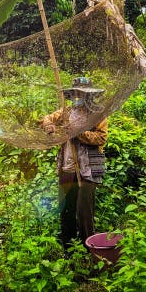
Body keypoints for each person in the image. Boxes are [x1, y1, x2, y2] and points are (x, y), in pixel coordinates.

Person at [40, 77, 108, 250]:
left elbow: (101, 137)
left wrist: (77, 132)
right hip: (67, 168)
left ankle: (89, 248)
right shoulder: (66, 112)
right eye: (75, 93)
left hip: (87, 169)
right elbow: (47, 118)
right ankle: (69, 250)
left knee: (84, 212)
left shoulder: (97, 114)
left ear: (89, 95)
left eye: (82, 93)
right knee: (66, 210)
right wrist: (49, 125)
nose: (78, 96)